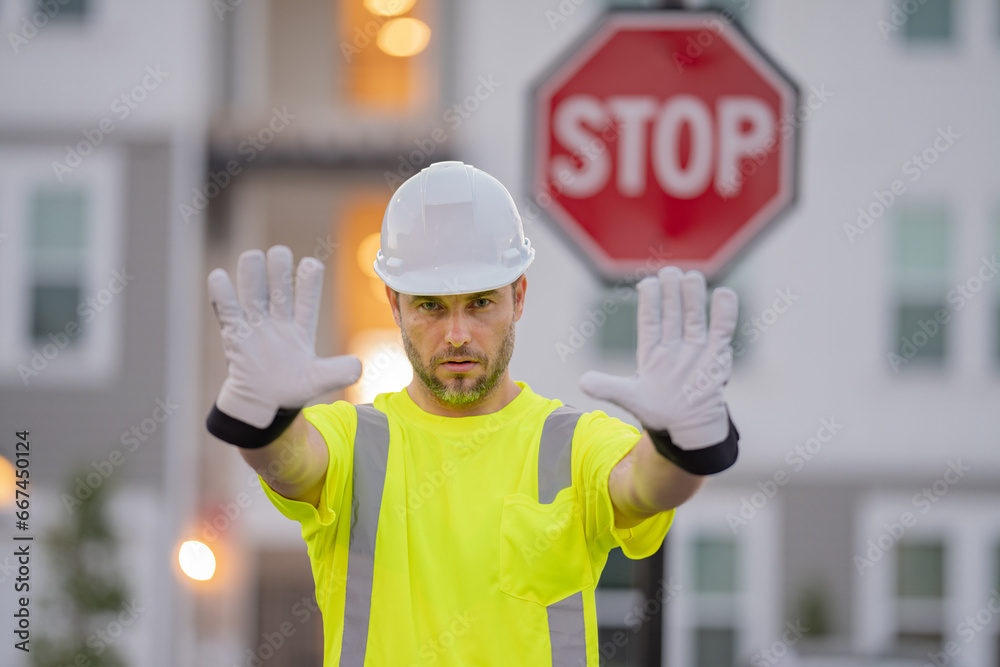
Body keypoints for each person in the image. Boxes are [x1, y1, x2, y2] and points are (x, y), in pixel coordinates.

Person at [205, 161, 740, 666]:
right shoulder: (354, 438)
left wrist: (678, 445)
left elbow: (645, 487)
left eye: (481, 302)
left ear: (519, 297)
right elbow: (291, 462)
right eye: (431, 306)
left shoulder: (570, 443)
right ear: (395, 306)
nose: (457, 334)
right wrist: (266, 421)